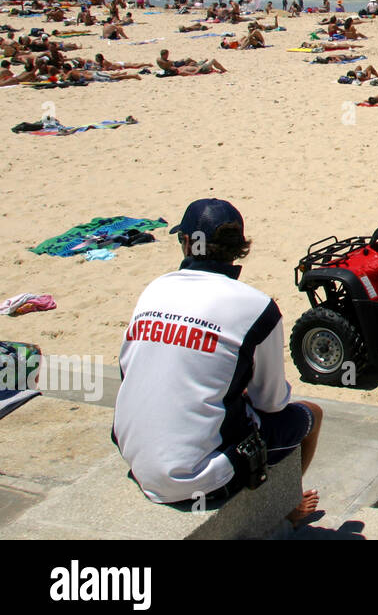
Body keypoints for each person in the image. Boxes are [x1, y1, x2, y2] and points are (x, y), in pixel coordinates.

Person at [112, 199, 323, 521]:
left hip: (134, 453)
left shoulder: (155, 289)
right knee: (311, 415)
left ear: (186, 242)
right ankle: (289, 507)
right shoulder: (257, 307)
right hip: (196, 477)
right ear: (240, 248)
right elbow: (272, 403)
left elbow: (131, 369)